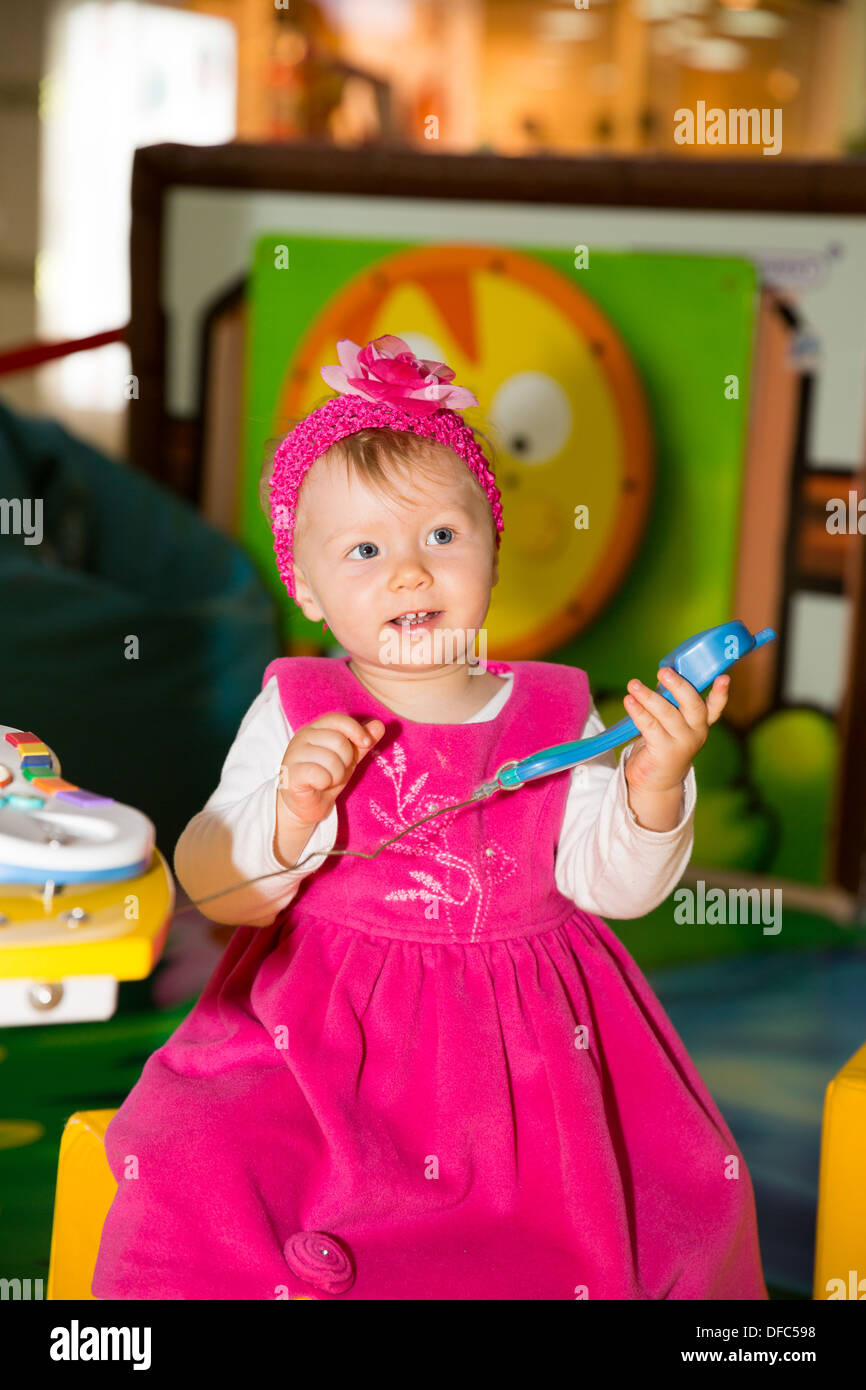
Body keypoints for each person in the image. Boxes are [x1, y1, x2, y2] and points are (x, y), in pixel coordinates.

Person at [92, 334, 767, 1300]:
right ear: (309, 588)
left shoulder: (553, 709)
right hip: (318, 1032)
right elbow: (216, 887)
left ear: (492, 548)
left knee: (658, 1203)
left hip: (528, 1055)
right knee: (196, 1156)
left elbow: (612, 886)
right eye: (365, 551)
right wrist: (288, 812)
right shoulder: (297, 703)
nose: (409, 572)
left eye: (441, 538)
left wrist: (651, 785)